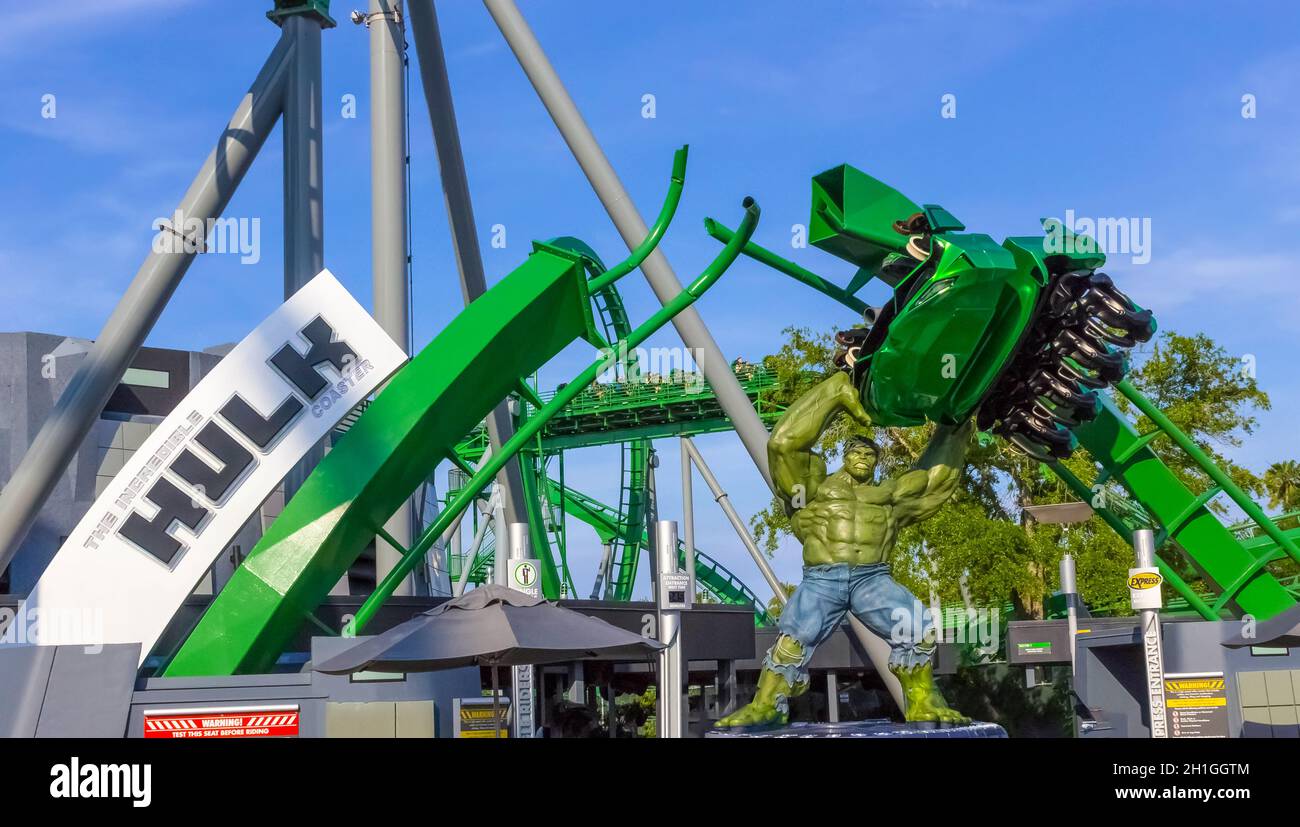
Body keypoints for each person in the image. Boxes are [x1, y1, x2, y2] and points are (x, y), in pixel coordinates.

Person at [717, 371, 972, 727]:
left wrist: (958, 421)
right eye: (857, 451)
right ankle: (768, 706)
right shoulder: (812, 489)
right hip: (823, 577)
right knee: (792, 644)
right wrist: (836, 395)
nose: (864, 456)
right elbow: (784, 445)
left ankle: (923, 703)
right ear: (845, 455)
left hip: (873, 579)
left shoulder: (889, 497)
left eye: (871, 453)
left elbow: (934, 482)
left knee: (917, 630)